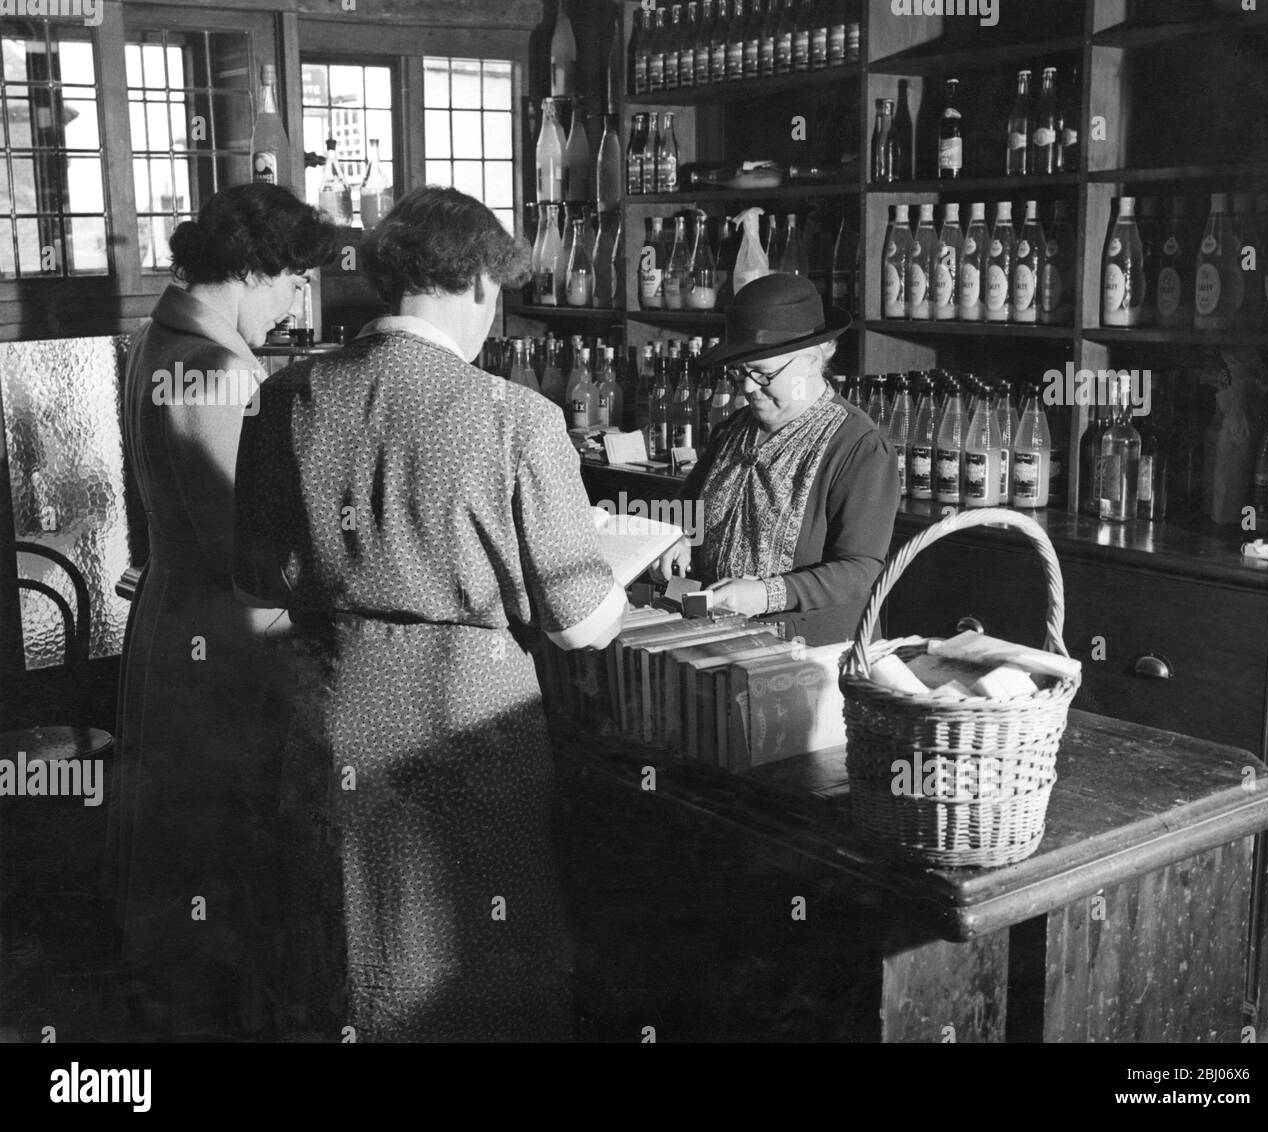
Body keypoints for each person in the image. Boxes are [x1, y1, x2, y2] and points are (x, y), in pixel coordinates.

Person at [231, 185, 626, 1042]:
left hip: (332, 711)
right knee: (475, 951)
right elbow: (583, 621)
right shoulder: (517, 417)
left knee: (351, 942)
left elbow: (256, 581)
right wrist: (613, 575)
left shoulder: (285, 396)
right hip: (467, 726)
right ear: (481, 283)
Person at [112, 183, 340, 1038]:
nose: (292, 306)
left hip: (176, 616)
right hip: (224, 637)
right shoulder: (216, 368)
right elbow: (248, 550)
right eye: (289, 284)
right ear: (251, 269)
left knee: (185, 850)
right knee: (224, 854)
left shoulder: (161, 338)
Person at [652, 273, 899, 646]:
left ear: (813, 360)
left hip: (811, 653)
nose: (748, 387)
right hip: (718, 634)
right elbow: (686, 512)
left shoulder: (858, 447)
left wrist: (766, 594)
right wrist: (677, 538)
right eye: (740, 372)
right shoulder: (734, 429)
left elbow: (859, 569)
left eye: (763, 373)